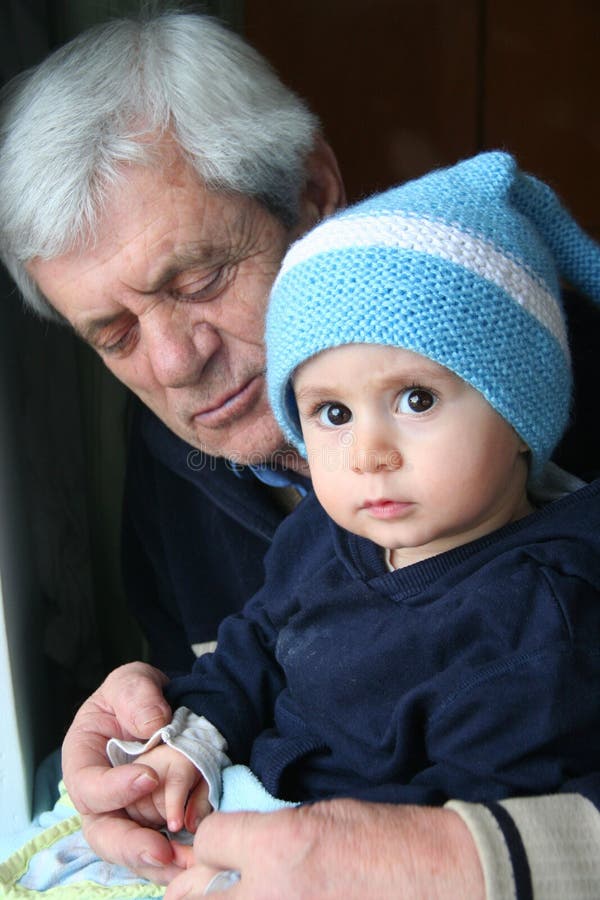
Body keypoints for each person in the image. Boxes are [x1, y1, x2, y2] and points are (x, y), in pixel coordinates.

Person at [0, 9, 598, 899]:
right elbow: (267, 651)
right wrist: (162, 712)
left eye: (199, 278)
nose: (174, 366)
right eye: (116, 334)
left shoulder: (532, 368)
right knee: (57, 773)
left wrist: (457, 859)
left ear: (315, 190)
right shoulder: (178, 461)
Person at [104, 152, 600, 889]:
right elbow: (259, 643)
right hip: (256, 808)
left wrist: (264, 849)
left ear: (520, 409)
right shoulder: (326, 534)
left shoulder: (540, 613)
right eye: (332, 414)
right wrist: (195, 742)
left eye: (417, 400)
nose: (369, 454)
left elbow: (439, 829)